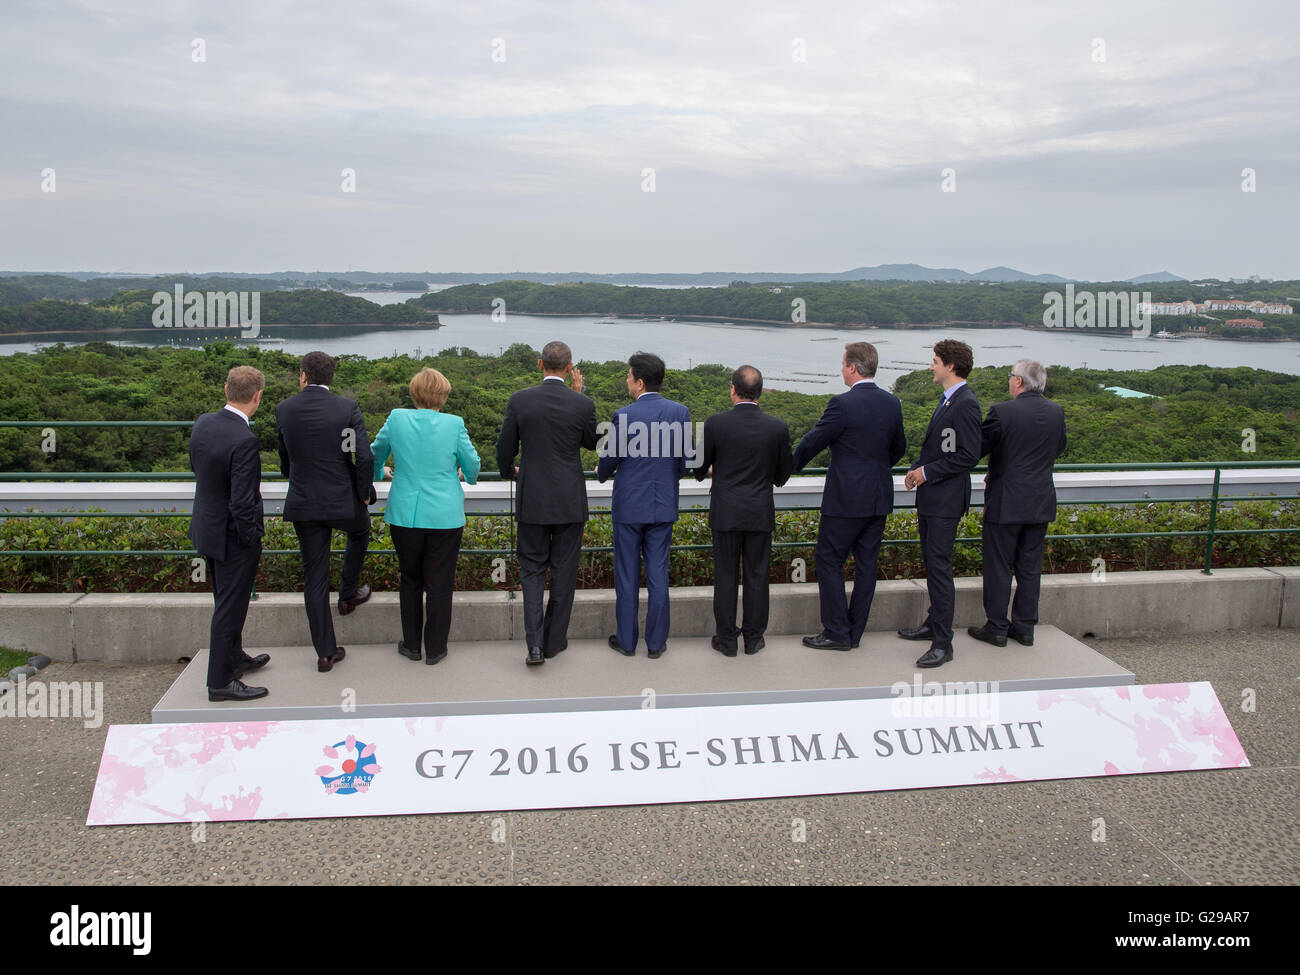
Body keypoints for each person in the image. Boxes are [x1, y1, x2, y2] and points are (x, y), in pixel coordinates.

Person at [792, 342, 906, 651]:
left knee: (828, 560)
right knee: (867, 565)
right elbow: (899, 448)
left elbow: (813, 441)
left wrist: (787, 467)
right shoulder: (891, 403)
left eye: (843, 364)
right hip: (878, 496)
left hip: (845, 499)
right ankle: (854, 633)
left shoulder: (841, 404)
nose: (841, 369)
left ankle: (836, 631)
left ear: (853, 367)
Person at [496, 341, 598, 666]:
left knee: (532, 571)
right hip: (569, 500)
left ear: (540, 364)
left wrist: (507, 472)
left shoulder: (520, 400)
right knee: (564, 572)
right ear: (570, 368)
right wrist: (580, 395)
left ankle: (534, 646)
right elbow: (593, 442)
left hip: (533, 500)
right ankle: (553, 643)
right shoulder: (582, 403)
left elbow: (504, 449)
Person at [371, 367, 481, 665]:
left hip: (405, 513)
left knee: (410, 580)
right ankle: (435, 649)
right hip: (445, 515)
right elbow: (472, 465)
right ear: (442, 396)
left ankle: (411, 645)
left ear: (414, 392)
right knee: (440, 583)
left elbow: (374, 453)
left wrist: (381, 472)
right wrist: (463, 475)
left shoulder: (396, 418)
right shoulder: (454, 423)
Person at [275, 351, 376, 674]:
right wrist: (363, 493)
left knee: (314, 578)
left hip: (305, 501)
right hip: (343, 500)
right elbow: (364, 457)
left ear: (303, 375)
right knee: (360, 532)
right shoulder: (346, 407)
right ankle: (348, 595)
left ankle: (325, 652)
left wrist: (297, 476)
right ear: (331, 377)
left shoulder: (284, 409)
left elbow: (285, 460)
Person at [597, 351, 692, 659]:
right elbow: (686, 462)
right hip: (663, 504)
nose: (626, 382)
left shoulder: (623, 416)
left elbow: (607, 464)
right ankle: (655, 643)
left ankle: (626, 642)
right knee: (658, 575)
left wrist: (601, 472)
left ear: (638, 382)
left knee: (626, 576)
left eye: (628, 377)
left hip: (628, 507)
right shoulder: (680, 413)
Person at [696, 365, 793, 656]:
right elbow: (783, 475)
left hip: (726, 511)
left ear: (733, 390)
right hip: (759, 512)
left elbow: (699, 469)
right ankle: (753, 638)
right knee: (757, 575)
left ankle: (726, 639)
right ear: (760, 392)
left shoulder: (715, 423)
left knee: (725, 576)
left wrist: (715, 469)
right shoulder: (777, 427)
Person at [970, 359, 1067, 647]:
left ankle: (997, 627)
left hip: (1005, 500)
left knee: (999, 566)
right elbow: (1059, 447)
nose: (1009, 380)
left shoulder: (1002, 412)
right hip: (1040, 501)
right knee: (1029, 567)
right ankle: (1025, 627)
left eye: (1011, 376)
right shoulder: (1056, 412)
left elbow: (976, 448)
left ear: (1019, 382)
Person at [188, 365, 270, 701]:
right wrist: (252, 538)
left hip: (207, 527)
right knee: (229, 609)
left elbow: (200, 470)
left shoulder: (204, 423)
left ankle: (234, 657)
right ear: (257, 396)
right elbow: (242, 501)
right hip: (233, 537)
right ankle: (220, 681)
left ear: (226, 391)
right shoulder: (245, 440)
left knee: (225, 601)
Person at [899, 339, 982, 668]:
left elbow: (968, 455)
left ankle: (943, 643)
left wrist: (926, 472)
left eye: (934, 361)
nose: (931, 366)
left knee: (940, 569)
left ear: (950, 365)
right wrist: (919, 470)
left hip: (945, 501)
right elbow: (943, 449)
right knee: (933, 566)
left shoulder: (965, 404)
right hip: (933, 498)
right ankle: (934, 624)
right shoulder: (950, 400)